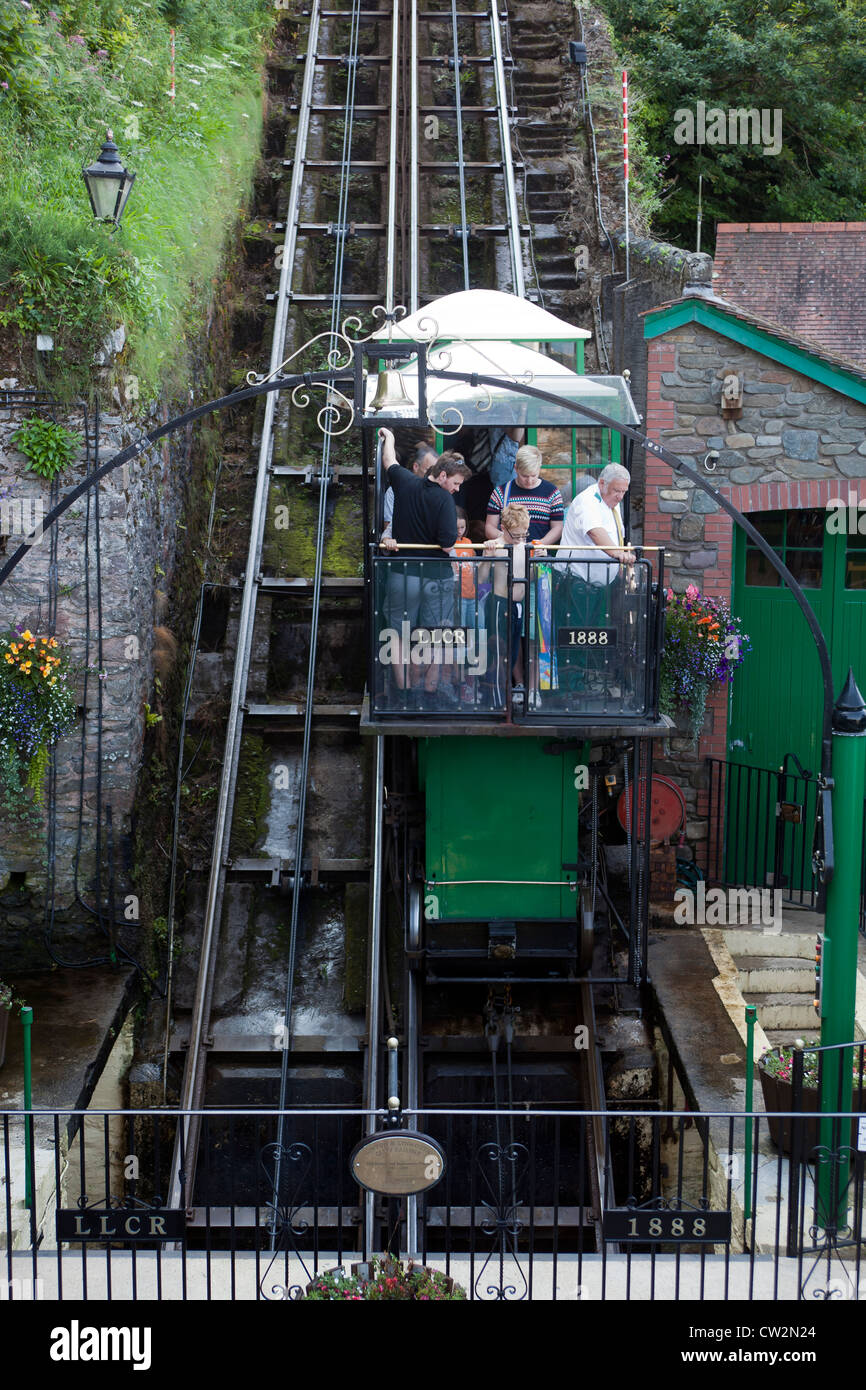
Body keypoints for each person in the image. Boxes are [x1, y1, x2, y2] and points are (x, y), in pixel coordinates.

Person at [378, 429, 471, 706]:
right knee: (437, 632)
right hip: (436, 577)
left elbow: (388, 462)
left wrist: (390, 438)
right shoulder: (444, 499)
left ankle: (404, 688)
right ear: (442, 476)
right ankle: (428, 688)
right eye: (455, 483)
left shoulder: (405, 482)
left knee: (397, 631)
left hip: (402, 573)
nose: (456, 489)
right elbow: (446, 543)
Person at [556, 463, 635, 693]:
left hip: (596, 584)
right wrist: (619, 554)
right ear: (601, 483)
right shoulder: (587, 500)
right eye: (616, 491)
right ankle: (569, 691)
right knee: (573, 638)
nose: (620, 496)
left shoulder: (610, 500)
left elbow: (613, 533)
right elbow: (595, 532)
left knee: (587, 638)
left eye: (623, 492)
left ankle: (581, 685)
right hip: (576, 581)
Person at [480, 502, 531, 701]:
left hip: (518, 605)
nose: (520, 539)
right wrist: (486, 556)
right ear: (503, 528)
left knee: (513, 650)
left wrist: (539, 561)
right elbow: (481, 579)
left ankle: (505, 694)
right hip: (500, 603)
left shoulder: (526, 546)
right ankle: (497, 696)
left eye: (523, 534)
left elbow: (530, 578)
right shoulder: (497, 545)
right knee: (499, 650)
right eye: (516, 535)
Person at [485, 445, 564, 547]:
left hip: (538, 557)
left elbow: (557, 528)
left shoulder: (552, 493)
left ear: (539, 468)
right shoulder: (500, 493)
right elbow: (489, 527)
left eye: (533, 475)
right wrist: (507, 538)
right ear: (516, 469)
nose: (529, 481)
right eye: (524, 476)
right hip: (509, 556)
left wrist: (539, 544)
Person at [381, 440, 437, 538]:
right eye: (428, 471)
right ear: (416, 466)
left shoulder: (438, 492)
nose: (432, 476)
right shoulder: (394, 491)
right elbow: (388, 527)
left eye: (435, 473)